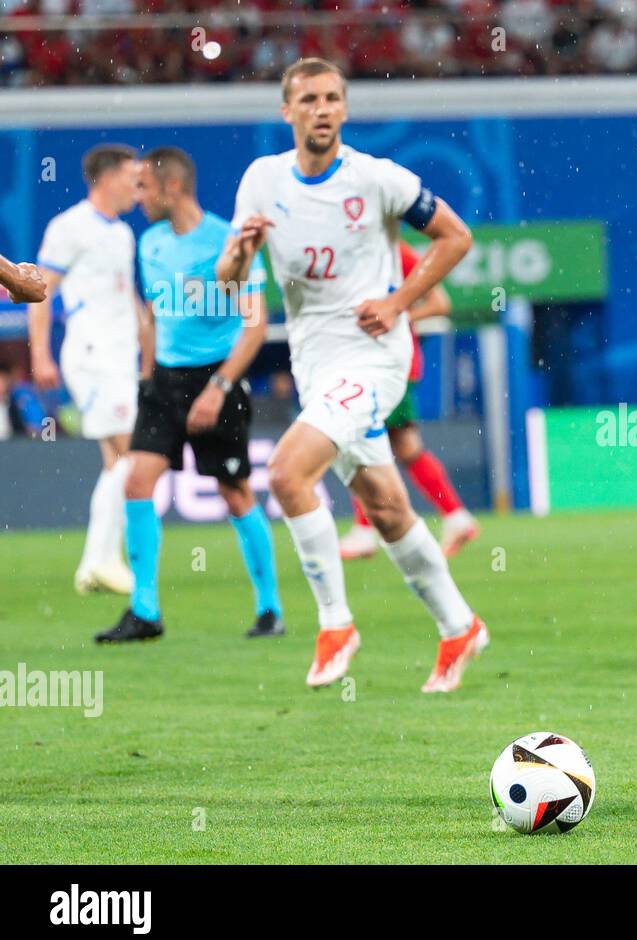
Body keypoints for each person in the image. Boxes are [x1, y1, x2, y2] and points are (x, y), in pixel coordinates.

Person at [218, 58, 486, 692]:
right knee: (387, 508)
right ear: (288, 111)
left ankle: (336, 622)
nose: (322, 109)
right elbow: (230, 281)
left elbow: (456, 237)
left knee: (286, 472)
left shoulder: (378, 178)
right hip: (315, 364)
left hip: (375, 359)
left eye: (333, 97)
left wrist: (397, 302)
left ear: (344, 107)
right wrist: (238, 255)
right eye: (309, 99)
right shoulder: (262, 180)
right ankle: (460, 627)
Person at [94, 146, 285, 644]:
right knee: (137, 482)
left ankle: (270, 609)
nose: (138, 199)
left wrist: (218, 389)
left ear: (171, 188)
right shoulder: (150, 243)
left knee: (234, 492)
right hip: (165, 382)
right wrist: (147, 375)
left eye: (144, 188)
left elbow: (255, 327)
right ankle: (145, 611)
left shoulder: (230, 241)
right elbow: (154, 314)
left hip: (216, 380)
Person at [28, 144, 150, 595]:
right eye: (132, 177)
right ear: (106, 178)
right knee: (133, 453)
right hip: (92, 354)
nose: (139, 188)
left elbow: (128, 298)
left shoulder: (121, 234)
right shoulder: (70, 227)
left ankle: (93, 565)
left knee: (117, 461)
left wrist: (147, 348)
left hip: (120, 358)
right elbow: (38, 290)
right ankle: (104, 560)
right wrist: (40, 354)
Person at [338, 240, 479, 560]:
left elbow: (440, 303)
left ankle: (365, 530)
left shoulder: (395, 252)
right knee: (403, 447)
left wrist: (396, 312)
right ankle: (455, 515)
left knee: (359, 440)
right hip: (375, 364)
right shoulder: (352, 251)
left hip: (388, 365)